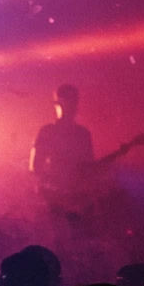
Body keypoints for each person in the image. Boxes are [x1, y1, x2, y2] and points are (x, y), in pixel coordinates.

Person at [29, 84, 96, 214]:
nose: (72, 106)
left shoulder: (83, 134)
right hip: (54, 199)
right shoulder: (48, 132)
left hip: (76, 198)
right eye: (68, 101)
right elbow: (35, 167)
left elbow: (89, 167)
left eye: (74, 102)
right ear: (58, 104)